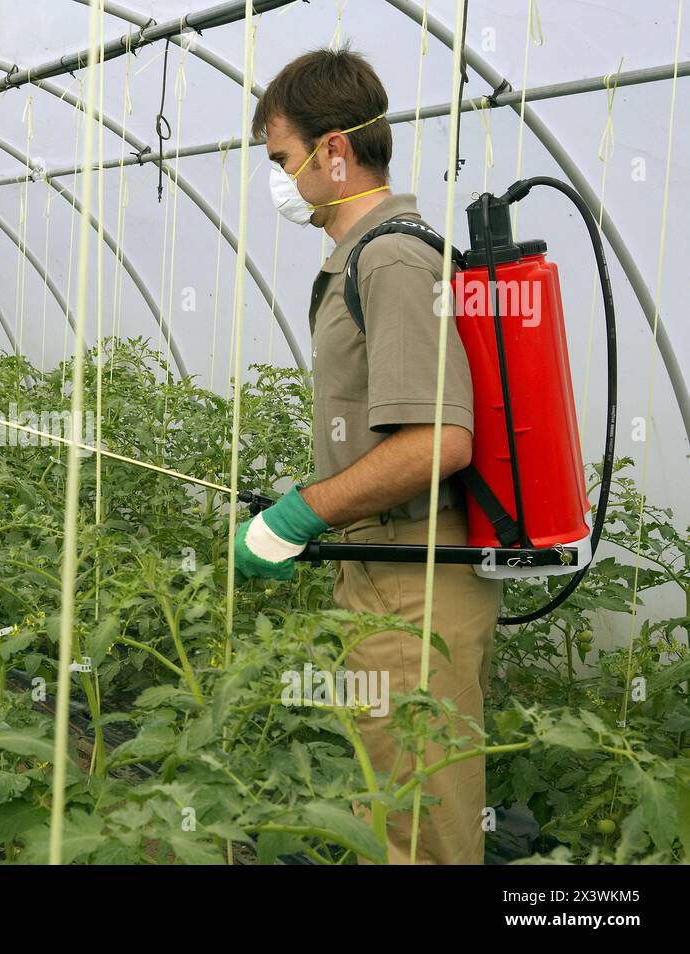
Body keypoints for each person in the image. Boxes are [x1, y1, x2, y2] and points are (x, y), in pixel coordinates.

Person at [233, 47, 503, 865]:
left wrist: (299, 513)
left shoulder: (389, 256)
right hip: (383, 567)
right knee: (385, 796)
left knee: (421, 829)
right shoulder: (364, 255)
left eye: (282, 159)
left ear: (335, 152)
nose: (279, 179)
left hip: (414, 581)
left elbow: (438, 442)